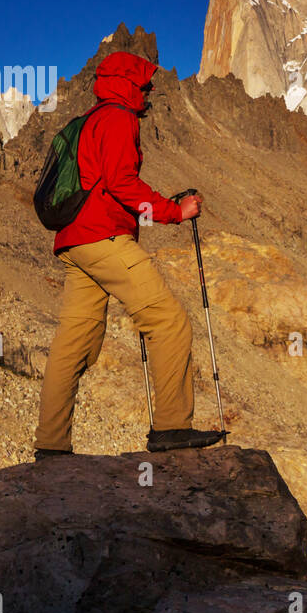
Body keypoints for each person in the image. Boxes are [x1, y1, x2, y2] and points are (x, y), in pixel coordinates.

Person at [34, 51, 223, 460]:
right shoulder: (118, 117)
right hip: (104, 239)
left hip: (75, 243)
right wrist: (175, 212)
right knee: (168, 320)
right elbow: (122, 183)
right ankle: (172, 427)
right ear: (126, 84)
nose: (150, 89)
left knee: (74, 343)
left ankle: (51, 446)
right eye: (144, 83)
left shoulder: (90, 120)